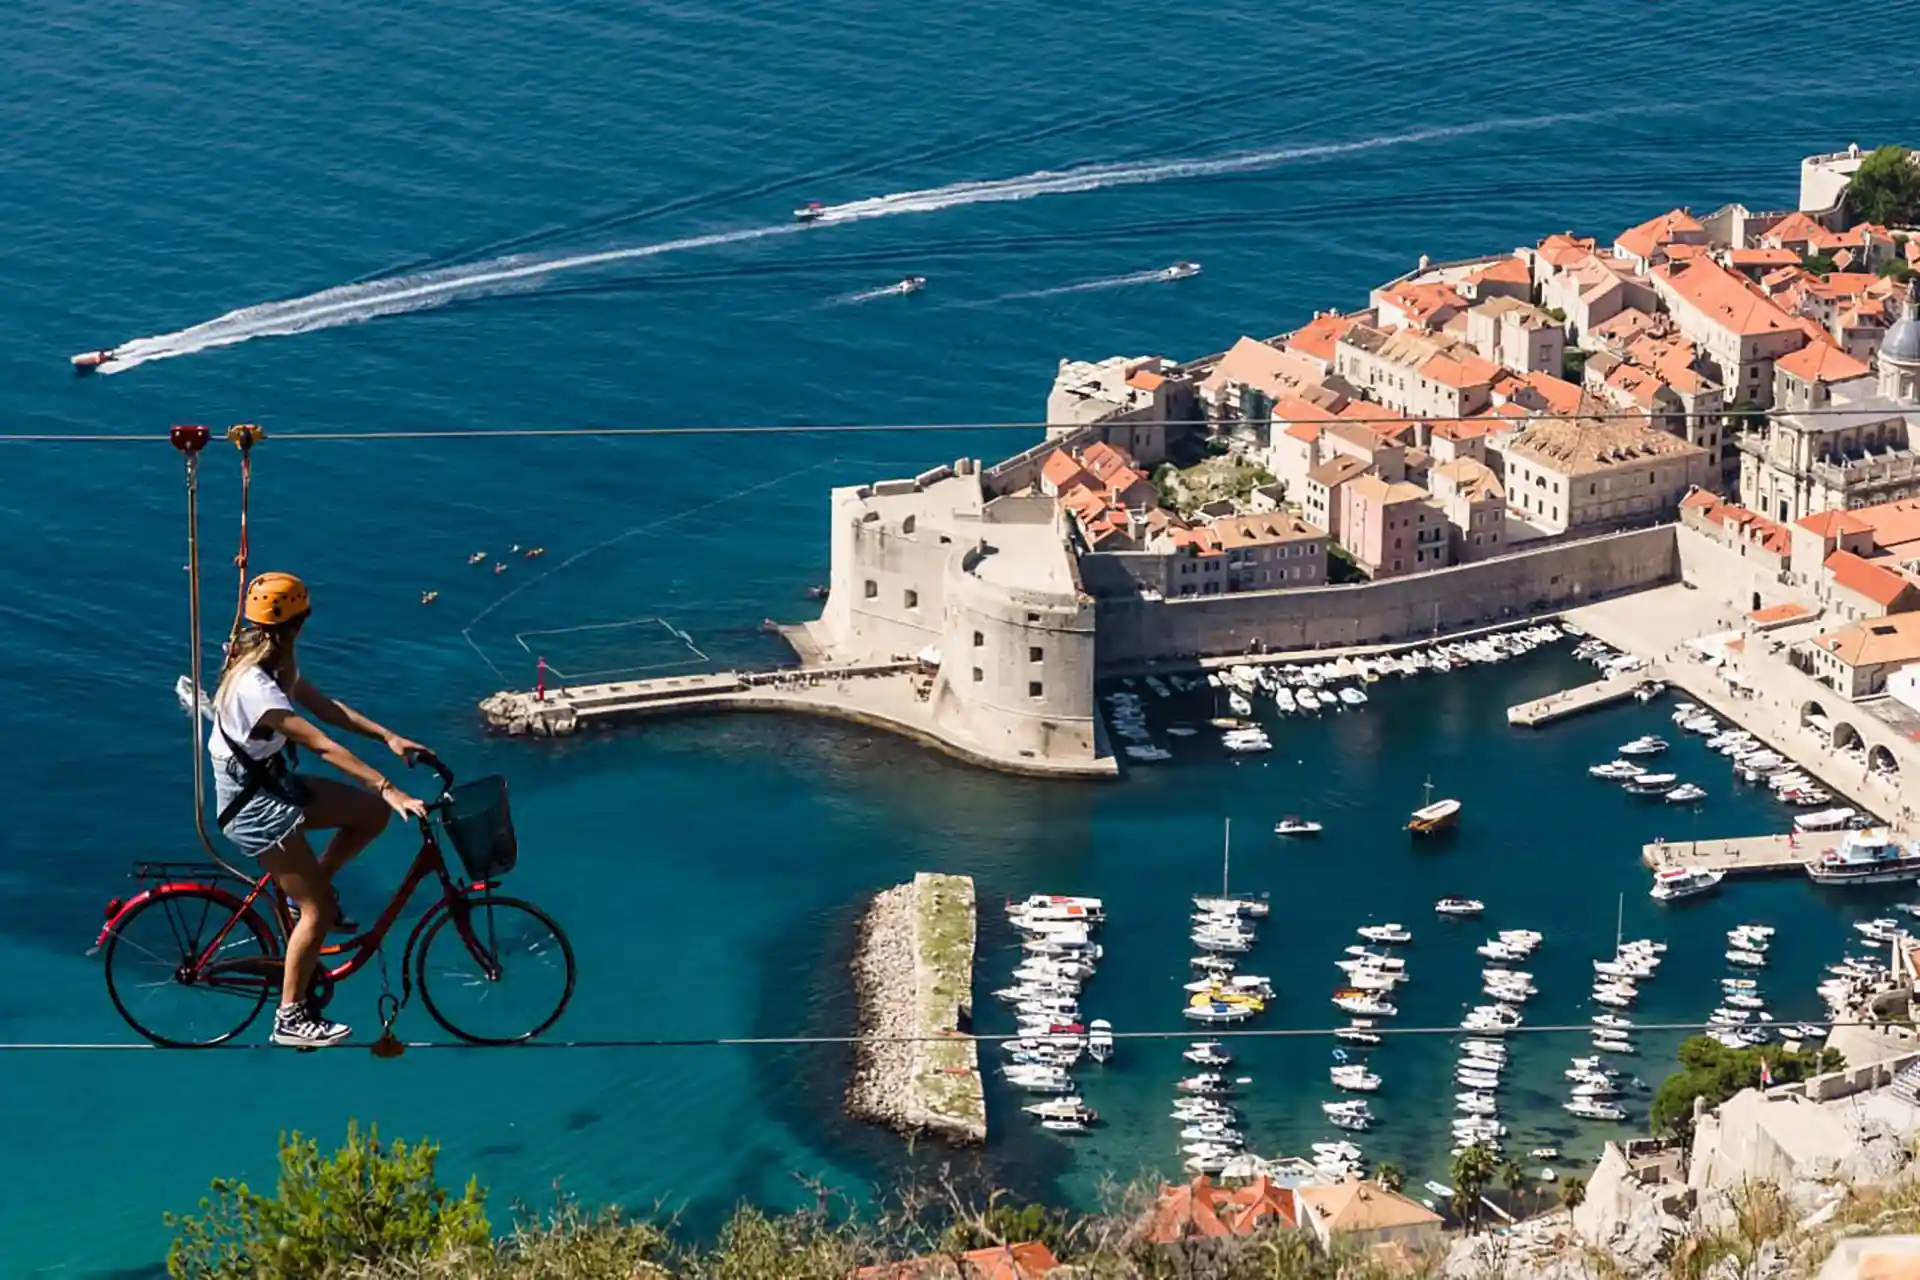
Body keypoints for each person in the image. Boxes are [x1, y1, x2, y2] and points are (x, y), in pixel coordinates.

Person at [208, 572, 430, 1048]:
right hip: (254, 808)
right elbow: (323, 745)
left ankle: (307, 890)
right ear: (300, 623)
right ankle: (289, 1017)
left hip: (273, 787)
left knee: (371, 814)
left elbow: (328, 708)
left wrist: (387, 736)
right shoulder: (255, 685)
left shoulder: (273, 664)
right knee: (318, 912)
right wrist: (388, 786)